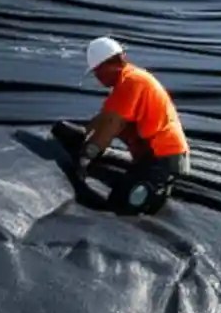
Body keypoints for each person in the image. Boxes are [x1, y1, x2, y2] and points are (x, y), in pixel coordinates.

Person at [74, 36, 190, 216]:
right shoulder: (129, 81)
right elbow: (105, 119)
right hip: (160, 156)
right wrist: (83, 132)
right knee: (128, 199)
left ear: (108, 64)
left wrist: (86, 155)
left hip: (162, 157)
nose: (98, 77)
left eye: (97, 71)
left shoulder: (131, 82)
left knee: (122, 207)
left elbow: (112, 124)